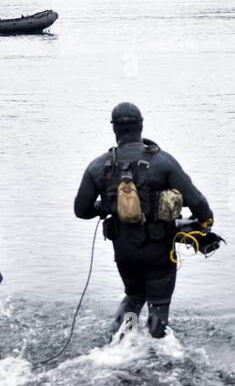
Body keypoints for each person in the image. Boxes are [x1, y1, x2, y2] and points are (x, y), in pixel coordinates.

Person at [73, 102, 213, 339]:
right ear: (141, 126)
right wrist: (203, 225)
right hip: (159, 251)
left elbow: (81, 210)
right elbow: (198, 203)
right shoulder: (163, 162)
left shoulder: (98, 166)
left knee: (134, 296)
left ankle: (120, 343)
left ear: (115, 130)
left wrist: (109, 206)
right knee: (158, 302)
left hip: (124, 251)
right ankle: (157, 343)